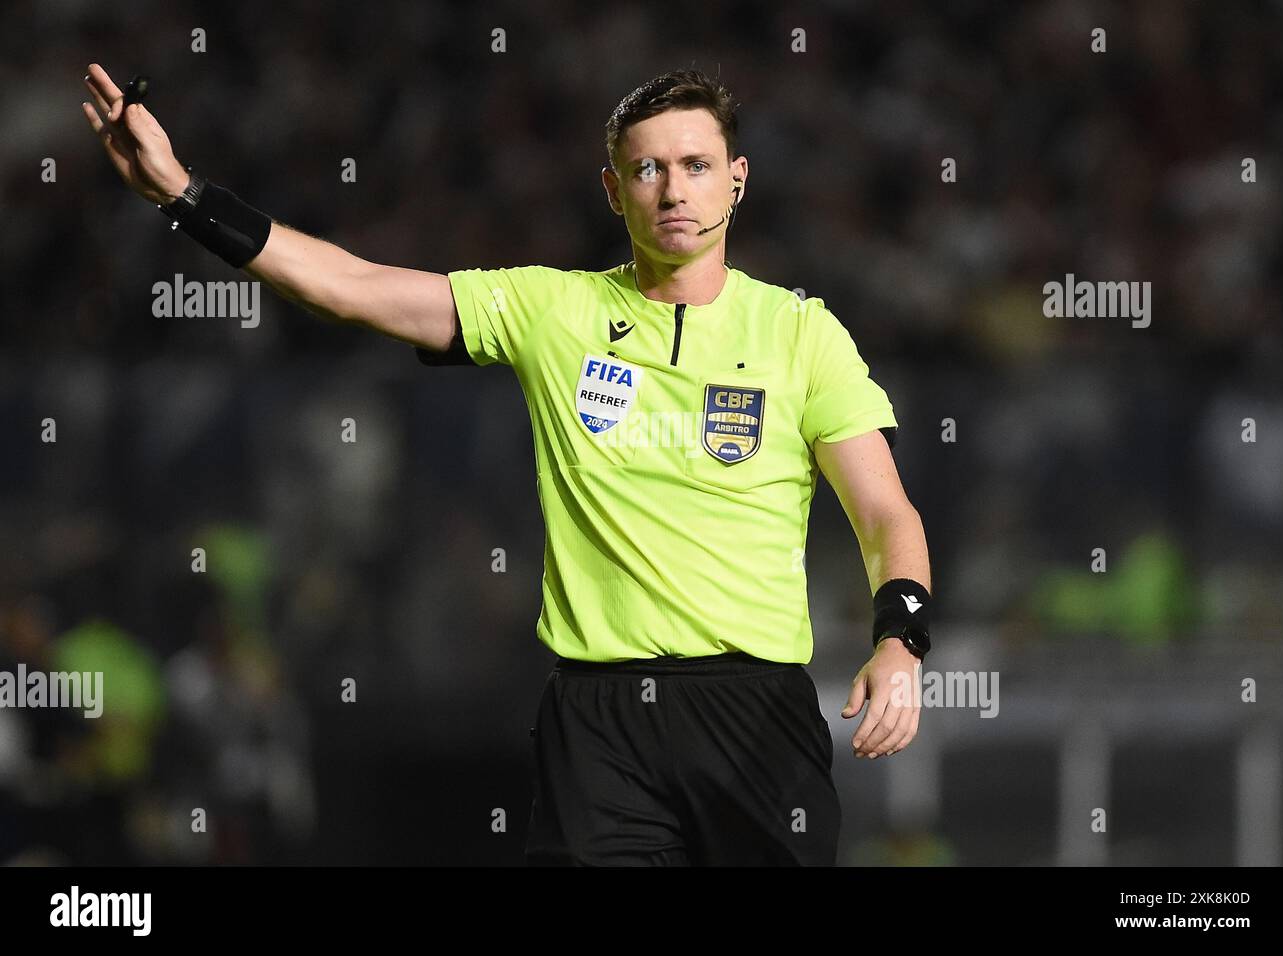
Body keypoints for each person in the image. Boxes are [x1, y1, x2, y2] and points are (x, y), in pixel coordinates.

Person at [82, 63, 933, 866]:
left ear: (737, 178)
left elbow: (884, 513)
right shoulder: (552, 310)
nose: (674, 190)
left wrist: (901, 640)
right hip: (600, 723)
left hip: (756, 714)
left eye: (697, 165)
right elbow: (352, 285)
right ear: (613, 189)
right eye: (647, 170)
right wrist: (186, 197)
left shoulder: (800, 333)